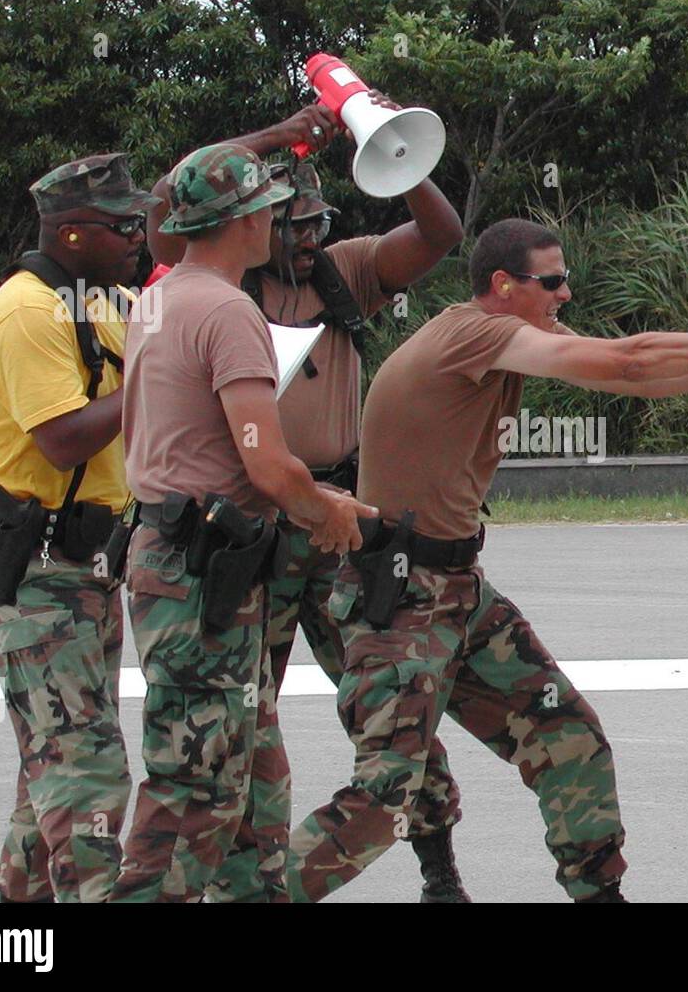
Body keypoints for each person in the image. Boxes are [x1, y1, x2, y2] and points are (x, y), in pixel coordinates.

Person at [287, 217, 688, 902]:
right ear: (503, 287)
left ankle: (599, 895)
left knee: (570, 741)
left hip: (453, 589)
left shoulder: (511, 336)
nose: (566, 292)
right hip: (400, 597)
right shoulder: (474, 334)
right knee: (384, 797)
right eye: (553, 280)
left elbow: (634, 377)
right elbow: (631, 360)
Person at [145, 100, 472, 902]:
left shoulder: (346, 269)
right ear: (252, 222)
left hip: (332, 514)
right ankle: (247, 878)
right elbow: (172, 200)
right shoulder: (217, 291)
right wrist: (276, 136)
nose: (300, 237)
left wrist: (394, 150)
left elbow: (441, 238)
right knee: (242, 716)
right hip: (262, 524)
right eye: (281, 220)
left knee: (388, 702)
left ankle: (438, 864)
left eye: (310, 221)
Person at [109, 141, 373, 902]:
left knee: (256, 786)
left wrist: (316, 501)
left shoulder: (159, 297)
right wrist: (327, 511)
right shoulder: (229, 311)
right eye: (267, 206)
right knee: (196, 786)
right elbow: (266, 462)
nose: (276, 219)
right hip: (202, 573)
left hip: (186, 558)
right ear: (243, 219)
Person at [0, 153, 158, 902]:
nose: (141, 236)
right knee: (86, 767)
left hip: (81, 560)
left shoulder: (95, 298)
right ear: (71, 234)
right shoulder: (29, 311)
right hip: (32, 560)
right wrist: (154, 373)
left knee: (52, 758)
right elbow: (65, 439)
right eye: (124, 226)